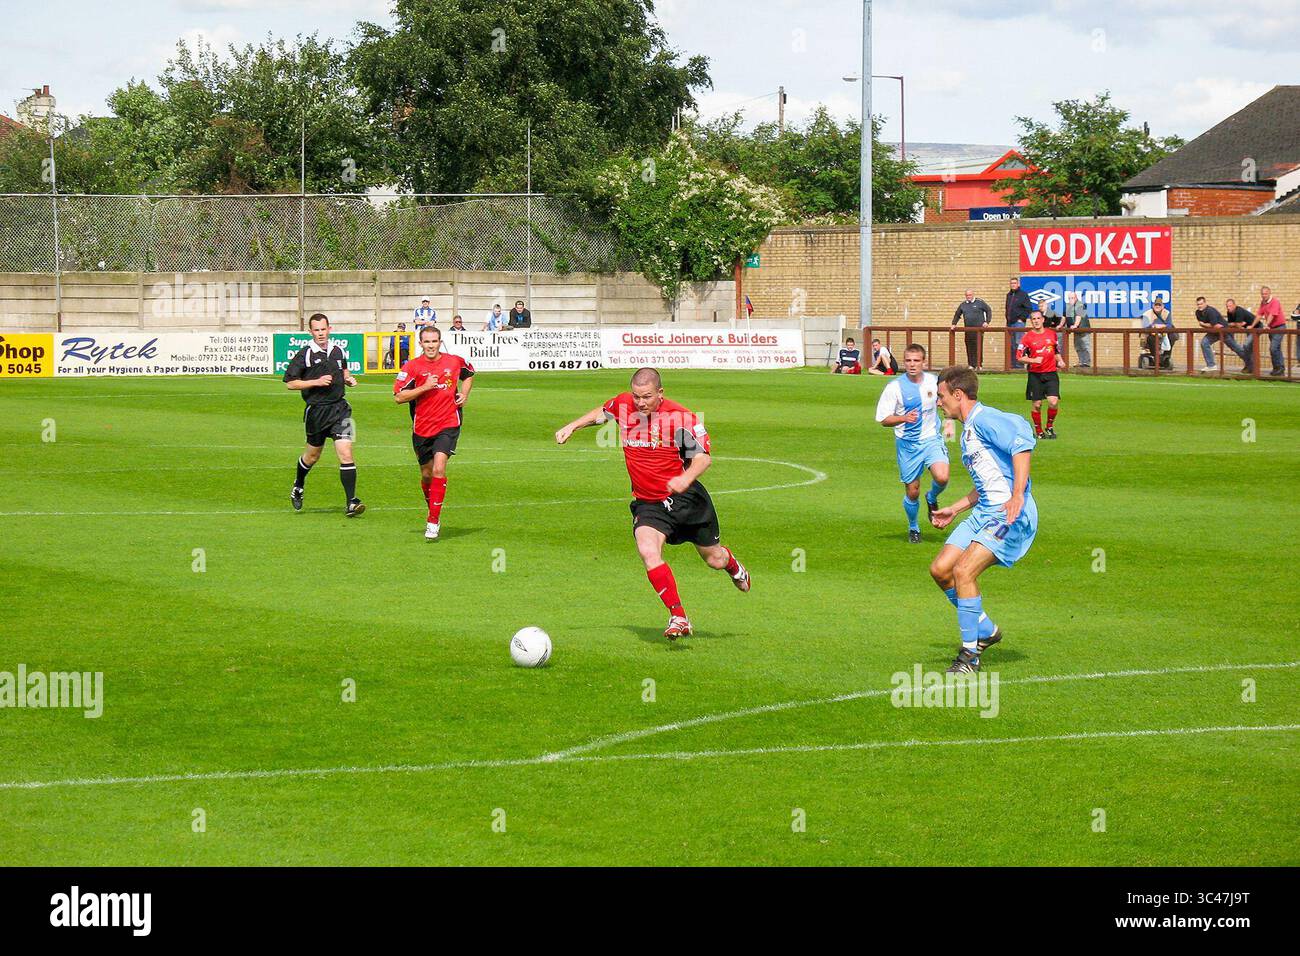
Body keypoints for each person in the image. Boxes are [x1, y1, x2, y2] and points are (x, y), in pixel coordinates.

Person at [554, 368, 750, 640]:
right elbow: (603, 411)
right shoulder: (624, 404)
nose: (640, 403)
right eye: (636, 396)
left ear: (660, 393)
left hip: (687, 500)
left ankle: (733, 566)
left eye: (646, 397)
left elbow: (703, 458)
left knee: (714, 559)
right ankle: (678, 616)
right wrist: (572, 425)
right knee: (647, 550)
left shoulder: (680, 418)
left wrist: (685, 478)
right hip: (649, 503)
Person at [928, 366, 1038, 674]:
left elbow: (1022, 442)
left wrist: (1017, 495)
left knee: (963, 571)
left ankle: (969, 656)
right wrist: (955, 508)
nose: (939, 403)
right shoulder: (967, 430)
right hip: (983, 512)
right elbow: (989, 481)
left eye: (941, 396)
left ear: (958, 395)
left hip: (1007, 515)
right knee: (941, 569)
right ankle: (985, 629)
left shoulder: (986, 419)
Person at [393, 326, 475, 540]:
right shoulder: (412, 367)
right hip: (422, 428)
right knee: (427, 475)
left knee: (439, 468)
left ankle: (433, 521)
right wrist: (425, 387)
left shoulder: (454, 361)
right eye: (427, 342)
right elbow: (399, 397)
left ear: (440, 341)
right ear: (420, 343)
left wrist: (464, 394)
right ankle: (433, 509)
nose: (431, 345)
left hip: (448, 423)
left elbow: (469, 374)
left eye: (435, 341)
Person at [282, 313, 364, 517]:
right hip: (316, 411)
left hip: (341, 409)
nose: (320, 333)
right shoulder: (305, 354)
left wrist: (349, 379)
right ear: (310, 332)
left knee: (346, 453)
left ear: (329, 329)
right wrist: (315, 382)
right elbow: (290, 383)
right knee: (312, 455)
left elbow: (343, 371)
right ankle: (298, 484)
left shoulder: (338, 350)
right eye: (316, 330)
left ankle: (351, 502)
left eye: (323, 329)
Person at [875, 343, 951, 543]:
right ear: (904, 361)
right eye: (908, 360)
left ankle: (932, 497)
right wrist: (903, 418)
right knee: (912, 491)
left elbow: (949, 407)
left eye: (916, 360)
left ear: (924, 362)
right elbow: (883, 419)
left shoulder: (934, 383)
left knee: (942, 477)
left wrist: (949, 433)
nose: (912, 364)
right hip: (908, 444)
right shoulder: (895, 388)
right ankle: (914, 527)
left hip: (931, 439)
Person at [1016, 309, 1062, 439]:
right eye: (1033, 319)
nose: (1036, 321)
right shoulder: (1027, 337)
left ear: (1042, 320)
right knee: (1037, 405)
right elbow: (1019, 357)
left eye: (1038, 318)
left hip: (1051, 373)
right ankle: (1039, 431)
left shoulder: (1051, 334)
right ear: (1031, 322)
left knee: (1053, 402)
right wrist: (1033, 360)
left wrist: (1061, 360)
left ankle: (1049, 427)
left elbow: (1055, 351)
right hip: (1035, 375)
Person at [1196, 296, 1248, 372]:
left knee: (1235, 348)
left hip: (1224, 331)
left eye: (1201, 304)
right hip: (1214, 332)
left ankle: (1251, 362)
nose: (1200, 306)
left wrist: (1204, 324)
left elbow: (1213, 325)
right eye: (1198, 304)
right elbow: (1212, 326)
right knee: (1204, 343)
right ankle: (1211, 365)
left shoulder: (1211, 311)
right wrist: (1208, 325)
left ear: (1205, 303)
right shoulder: (1197, 313)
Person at [951, 289, 992, 369]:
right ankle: (971, 364)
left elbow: (988, 310)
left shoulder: (980, 302)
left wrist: (987, 322)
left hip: (978, 330)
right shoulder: (963, 305)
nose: (968, 297)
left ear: (973, 295)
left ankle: (979, 365)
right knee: (969, 347)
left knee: (978, 347)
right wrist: (954, 324)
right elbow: (957, 314)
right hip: (968, 330)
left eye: (969, 295)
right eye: (967, 295)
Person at [1139, 297, 1175, 369]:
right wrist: (1153, 326)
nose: (1157, 306)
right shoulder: (1147, 314)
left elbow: (1170, 325)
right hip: (1151, 334)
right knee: (1152, 338)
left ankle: (1166, 356)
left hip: (1164, 334)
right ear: (1153, 306)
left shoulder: (1166, 313)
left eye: (1159, 305)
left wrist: (1162, 326)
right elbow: (1145, 327)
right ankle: (1155, 356)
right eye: (1156, 305)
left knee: (1174, 336)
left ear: (1162, 306)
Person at [1258, 286, 1286, 376]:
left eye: (1265, 293)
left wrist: (1266, 325)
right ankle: (1277, 368)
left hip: (1279, 327)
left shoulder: (1275, 301)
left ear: (1269, 293)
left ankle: (1280, 368)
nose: (1264, 295)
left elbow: (1272, 315)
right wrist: (1252, 325)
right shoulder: (1263, 303)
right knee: (1276, 349)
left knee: (1273, 348)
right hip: (1272, 328)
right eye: (1262, 294)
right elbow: (1259, 314)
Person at [1224, 299, 1258, 373]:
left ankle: (1252, 367)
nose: (1228, 308)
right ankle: (1250, 366)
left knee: (1246, 345)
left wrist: (1237, 324)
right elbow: (1231, 325)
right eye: (1227, 306)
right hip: (1248, 329)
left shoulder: (1238, 311)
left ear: (1234, 305)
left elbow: (1238, 325)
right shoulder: (1229, 312)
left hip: (1256, 328)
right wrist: (1236, 324)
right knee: (1248, 348)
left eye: (1230, 306)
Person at [1005, 277, 1032, 369]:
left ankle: (1019, 364)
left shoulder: (1023, 295)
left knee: (1019, 344)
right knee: (1011, 345)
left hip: (1018, 323)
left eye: (1015, 283)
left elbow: (1028, 308)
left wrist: (1021, 318)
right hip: (1010, 324)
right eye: (1011, 283)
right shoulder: (1008, 295)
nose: (1013, 285)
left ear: (1018, 284)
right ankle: (1012, 364)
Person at [1063, 292, 1091, 368]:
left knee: (1085, 346)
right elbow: (1064, 318)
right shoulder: (1068, 307)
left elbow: (1079, 316)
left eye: (1072, 298)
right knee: (1078, 347)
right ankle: (1081, 362)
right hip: (1076, 331)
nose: (1070, 300)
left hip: (1083, 329)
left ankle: (1086, 363)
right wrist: (1061, 325)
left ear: (1076, 298)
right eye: (1069, 298)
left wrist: (1075, 325)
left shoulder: (1080, 305)